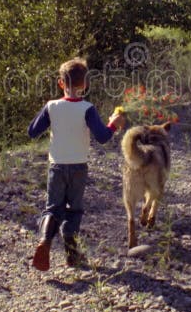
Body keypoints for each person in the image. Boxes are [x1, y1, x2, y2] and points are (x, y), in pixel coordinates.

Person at [28, 58, 125, 270]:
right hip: (79, 166)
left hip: (57, 166)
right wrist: (114, 124)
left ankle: (45, 240)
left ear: (61, 83)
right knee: (74, 210)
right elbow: (102, 137)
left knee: (52, 208)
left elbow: (32, 132)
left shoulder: (51, 106)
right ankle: (72, 255)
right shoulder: (87, 108)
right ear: (85, 84)